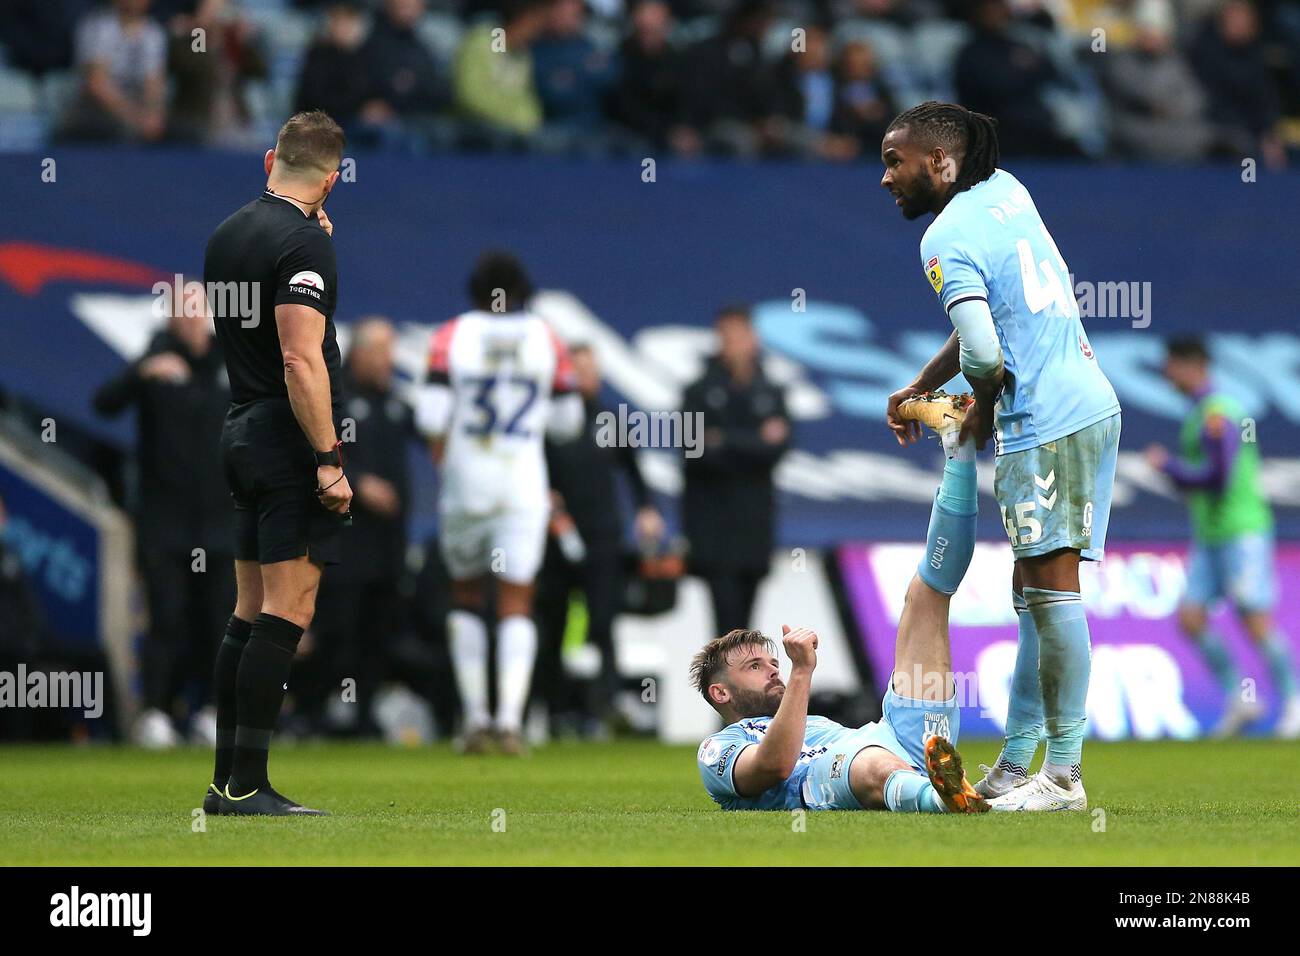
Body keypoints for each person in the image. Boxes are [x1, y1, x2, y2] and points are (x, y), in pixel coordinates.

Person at [882, 101, 1121, 811]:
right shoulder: (1007, 190)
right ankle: (1019, 765)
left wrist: (978, 407)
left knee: (1052, 594)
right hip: (1089, 402)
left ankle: (1066, 776)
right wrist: (925, 385)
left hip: (1045, 421)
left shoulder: (941, 239)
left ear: (940, 162)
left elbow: (986, 353)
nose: (885, 176)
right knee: (1033, 596)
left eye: (896, 160)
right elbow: (997, 317)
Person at [692, 393, 987, 814]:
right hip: (843, 771)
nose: (772, 668)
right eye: (755, 667)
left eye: (771, 661)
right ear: (720, 692)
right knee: (869, 767)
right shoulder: (718, 749)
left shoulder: (813, 725)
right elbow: (775, 767)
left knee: (926, 593)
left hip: (895, 736)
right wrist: (801, 672)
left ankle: (959, 447)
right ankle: (945, 798)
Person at [203, 110, 351, 816]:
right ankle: (245, 784)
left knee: (249, 610)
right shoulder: (304, 245)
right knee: (287, 610)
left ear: (269, 162)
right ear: (331, 178)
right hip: (287, 439)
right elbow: (298, 356)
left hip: (239, 426)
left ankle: (224, 779)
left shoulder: (229, 233)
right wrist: (327, 457)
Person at [419, 251, 584, 754]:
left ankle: (474, 720)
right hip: (522, 484)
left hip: (467, 482)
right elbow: (567, 423)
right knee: (517, 602)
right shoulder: (546, 337)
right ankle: (511, 720)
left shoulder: (452, 335)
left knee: (466, 595)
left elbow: (430, 416)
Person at [93, 291, 235, 748]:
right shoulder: (154, 360)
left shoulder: (230, 364)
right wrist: (141, 373)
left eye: (199, 310)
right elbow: (104, 403)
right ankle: (155, 711)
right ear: (172, 318)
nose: (192, 320)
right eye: (184, 312)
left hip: (218, 523)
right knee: (166, 619)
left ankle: (213, 711)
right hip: (164, 524)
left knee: (219, 621)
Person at [1146, 337, 1300, 739]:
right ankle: (1242, 698)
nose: (1167, 375)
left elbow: (1218, 476)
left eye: (1171, 365)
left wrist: (1170, 467)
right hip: (1211, 534)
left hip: (1241, 530)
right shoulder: (1202, 413)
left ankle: (1294, 701)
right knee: (1191, 618)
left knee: (1254, 617)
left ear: (1192, 364)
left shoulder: (1219, 414)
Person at [535, 344, 664, 735]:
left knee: (604, 623)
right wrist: (545, 497)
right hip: (555, 537)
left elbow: (634, 470)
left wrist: (646, 509)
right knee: (552, 623)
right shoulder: (547, 419)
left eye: (592, 370)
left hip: (603, 535)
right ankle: (555, 712)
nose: (586, 377)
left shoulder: (610, 419)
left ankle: (603, 710)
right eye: (579, 369)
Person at [303, 317, 415, 736]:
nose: (390, 361)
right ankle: (316, 711)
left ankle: (364, 713)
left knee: (377, 633)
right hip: (348, 539)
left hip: (388, 543)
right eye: (384, 352)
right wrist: (360, 481)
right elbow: (315, 443)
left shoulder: (396, 401)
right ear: (362, 351)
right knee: (337, 631)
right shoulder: (336, 395)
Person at [681, 305, 790, 641]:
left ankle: (744, 693)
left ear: (753, 339)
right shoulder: (698, 391)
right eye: (725, 337)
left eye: (739, 336)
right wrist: (755, 441)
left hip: (755, 526)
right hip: (714, 528)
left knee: (746, 630)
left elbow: (779, 448)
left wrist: (724, 440)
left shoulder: (770, 392)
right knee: (725, 629)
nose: (732, 344)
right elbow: (694, 450)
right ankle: (723, 692)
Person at [60, 0, 167, 143]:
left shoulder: (153, 33)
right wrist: (134, 117)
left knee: (176, 133)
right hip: (91, 110)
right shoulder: (99, 26)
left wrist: (153, 115)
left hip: (134, 109)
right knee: (123, 132)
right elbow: (96, 85)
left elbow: (154, 83)